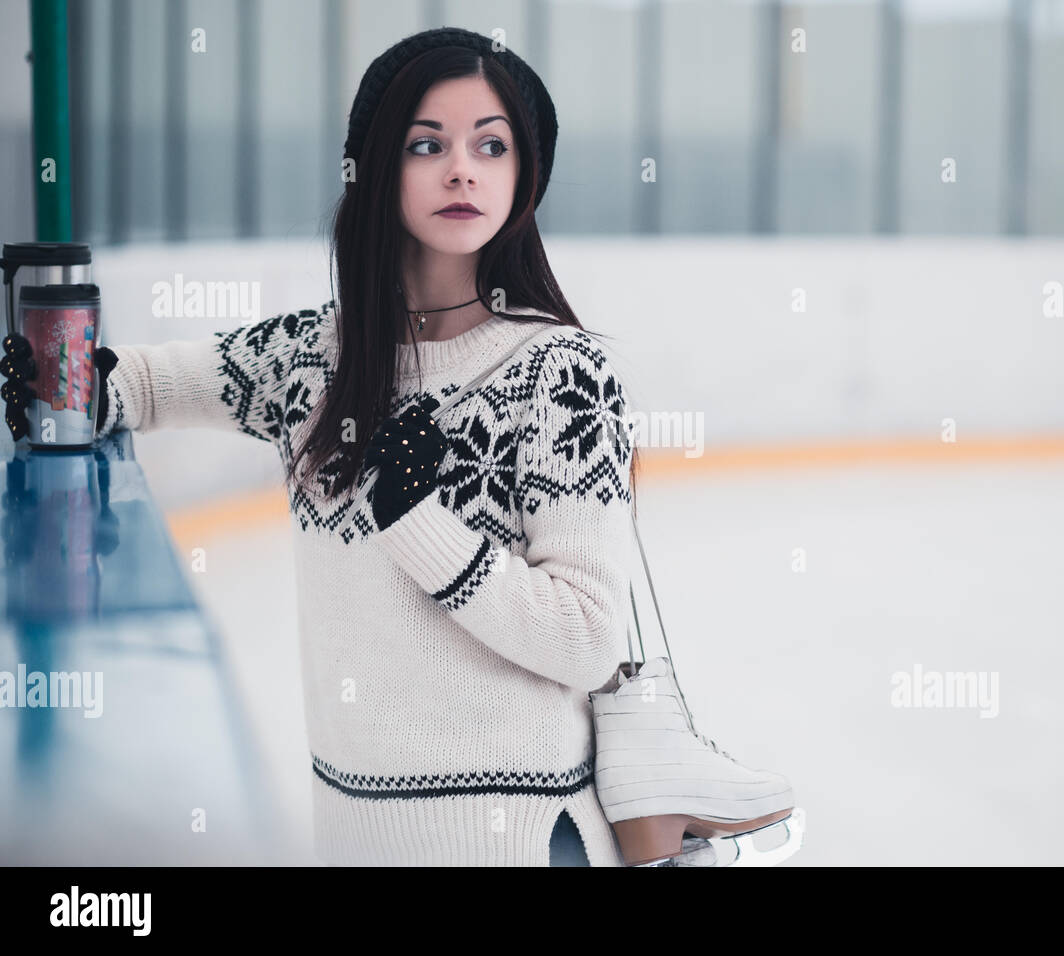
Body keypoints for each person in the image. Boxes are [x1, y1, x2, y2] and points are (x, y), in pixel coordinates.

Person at [3, 26, 640, 867]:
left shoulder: (564, 372)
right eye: (427, 144)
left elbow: (591, 639)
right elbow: (147, 387)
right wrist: (69, 387)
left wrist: (420, 524)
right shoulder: (310, 360)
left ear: (524, 175)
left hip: (520, 842)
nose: (462, 169)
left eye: (492, 145)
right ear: (377, 168)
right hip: (354, 836)